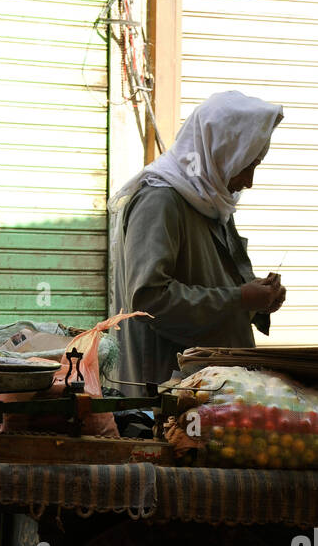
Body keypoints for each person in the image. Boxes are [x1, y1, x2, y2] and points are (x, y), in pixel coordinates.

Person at [110, 90, 286, 389]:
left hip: (215, 389)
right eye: (247, 166)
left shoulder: (211, 198)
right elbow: (149, 300)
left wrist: (260, 300)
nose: (249, 181)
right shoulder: (160, 200)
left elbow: (216, 283)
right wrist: (241, 298)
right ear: (220, 151)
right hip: (168, 390)